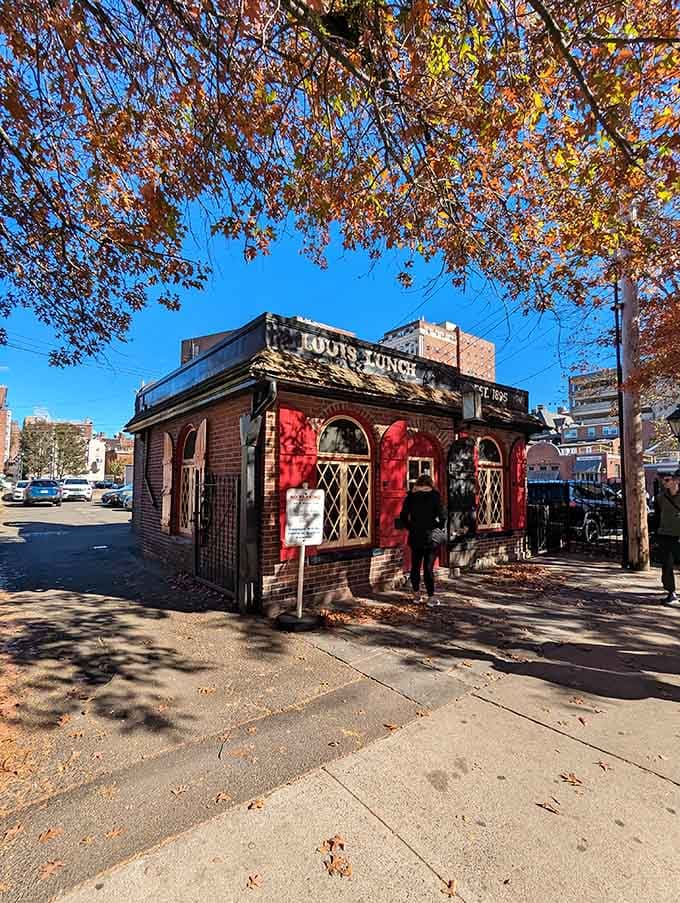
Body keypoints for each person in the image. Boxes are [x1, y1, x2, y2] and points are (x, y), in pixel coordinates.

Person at [399, 473, 446, 607]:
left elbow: (403, 516)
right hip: (430, 535)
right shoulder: (435, 496)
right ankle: (431, 598)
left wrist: (411, 527)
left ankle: (416, 595)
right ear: (430, 484)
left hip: (415, 535)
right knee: (428, 568)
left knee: (415, 566)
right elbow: (442, 516)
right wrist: (437, 527)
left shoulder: (411, 496)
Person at [655, 469, 680, 605]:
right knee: (667, 565)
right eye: (663, 480)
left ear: (676, 481)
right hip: (665, 534)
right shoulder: (661, 497)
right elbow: (658, 514)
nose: (664, 482)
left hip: (678, 534)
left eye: (667, 480)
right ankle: (671, 592)